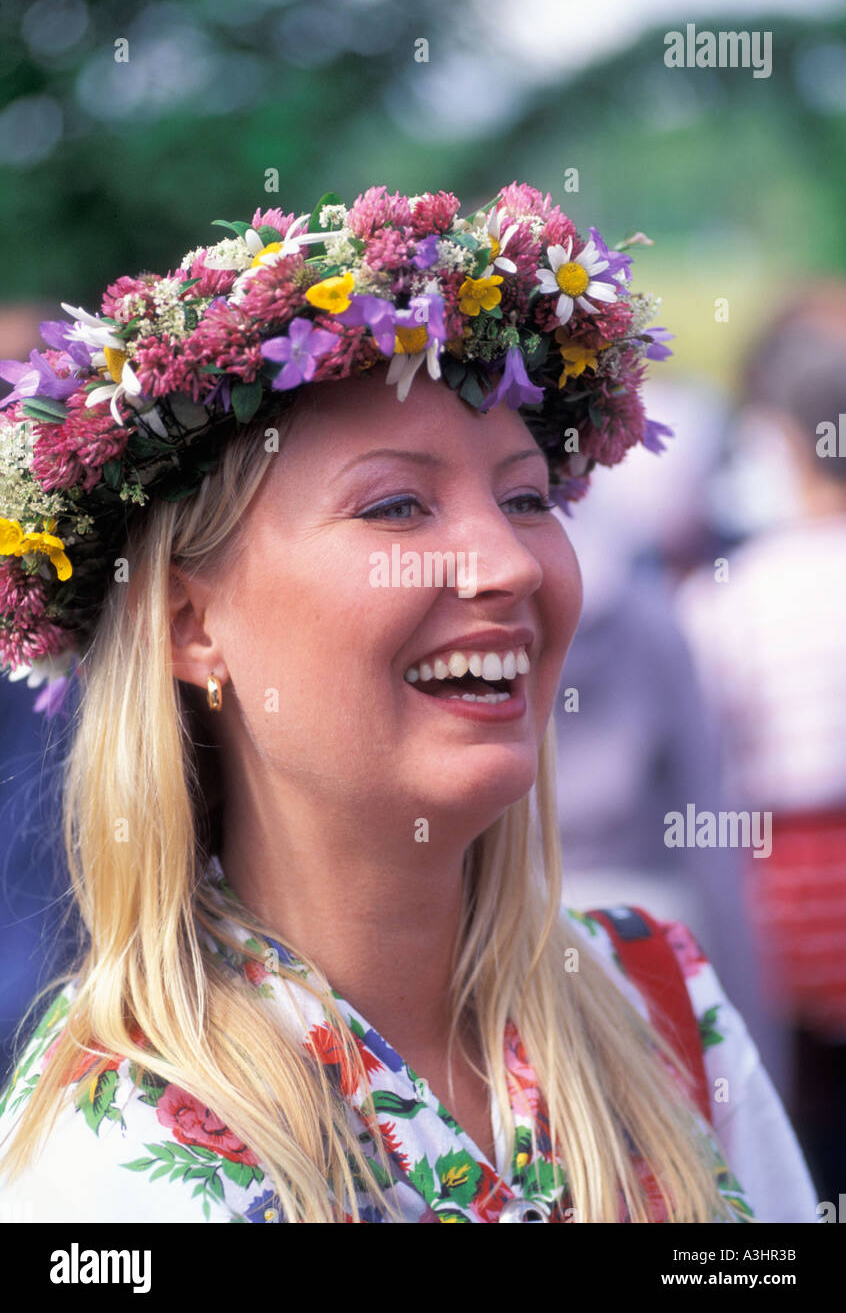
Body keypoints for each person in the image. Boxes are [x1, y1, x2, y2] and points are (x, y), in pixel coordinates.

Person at [0, 183, 817, 1223]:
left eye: (528, 498)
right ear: (188, 623)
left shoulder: (660, 997)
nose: (509, 564)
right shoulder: (114, 1157)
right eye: (396, 505)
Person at [676, 282, 846, 1203]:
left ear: (782, 442)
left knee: (804, 1127)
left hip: (786, 895)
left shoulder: (734, 591)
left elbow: (714, 767)